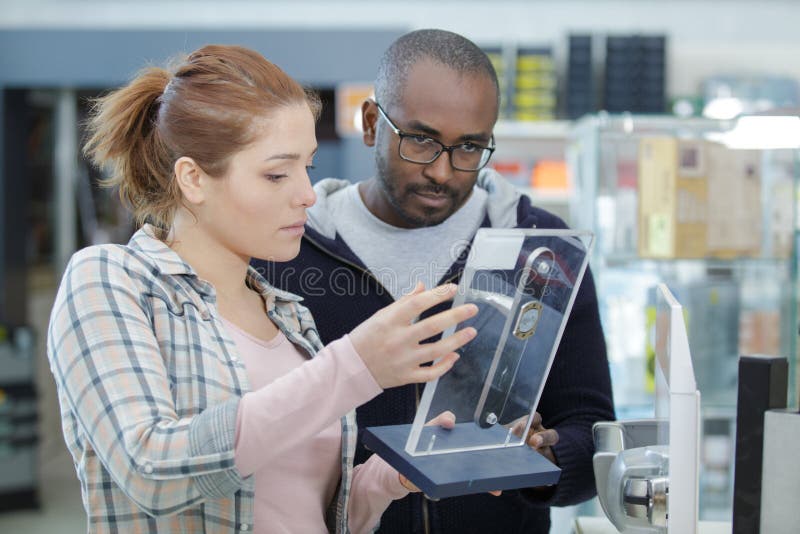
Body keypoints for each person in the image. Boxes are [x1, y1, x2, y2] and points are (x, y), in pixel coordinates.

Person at [46, 44, 482, 533]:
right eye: (276, 174)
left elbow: (308, 511)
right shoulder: (111, 282)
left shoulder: (289, 316)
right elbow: (153, 471)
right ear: (192, 178)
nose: (307, 194)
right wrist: (355, 365)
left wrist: (392, 476)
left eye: (307, 168)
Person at [253, 29, 615, 533]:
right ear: (372, 123)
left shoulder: (543, 252)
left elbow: (591, 431)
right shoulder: (283, 251)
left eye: (469, 147)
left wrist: (541, 458)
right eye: (421, 140)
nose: (443, 172)